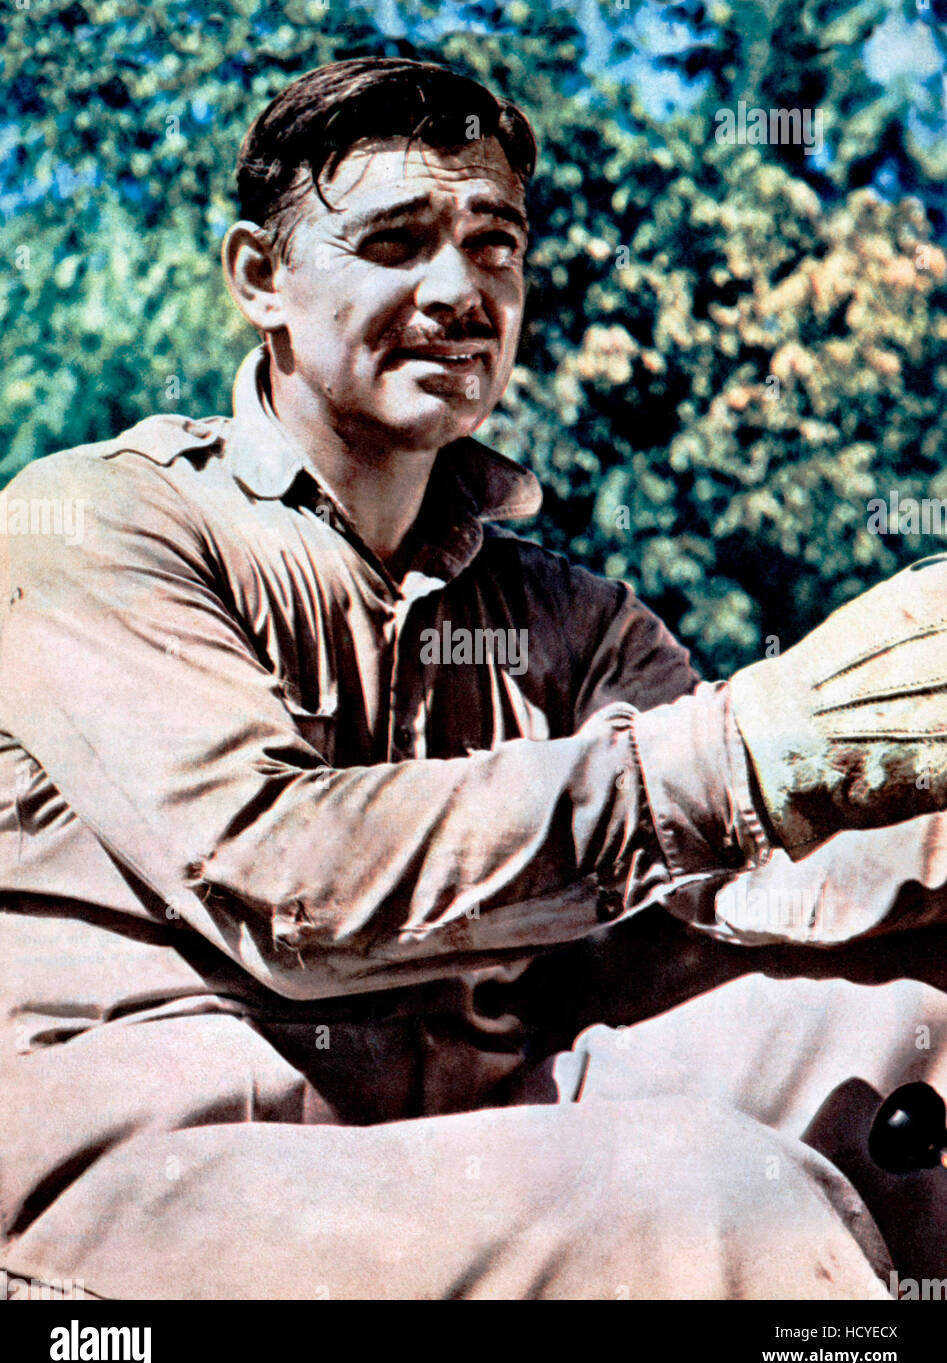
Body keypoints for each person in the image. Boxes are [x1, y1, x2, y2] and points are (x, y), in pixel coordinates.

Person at [2, 56, 947, 1300]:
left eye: (492, 243)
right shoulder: (92, 529)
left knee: (901, 1035)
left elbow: (741, 861)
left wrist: (905, 800)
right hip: (158, 1168)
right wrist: (757, 747)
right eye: (395, 241)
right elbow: (286, 884)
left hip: (454, 1135)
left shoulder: (564, 613)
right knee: (699, 1196)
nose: (458, 288)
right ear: (258, 279)